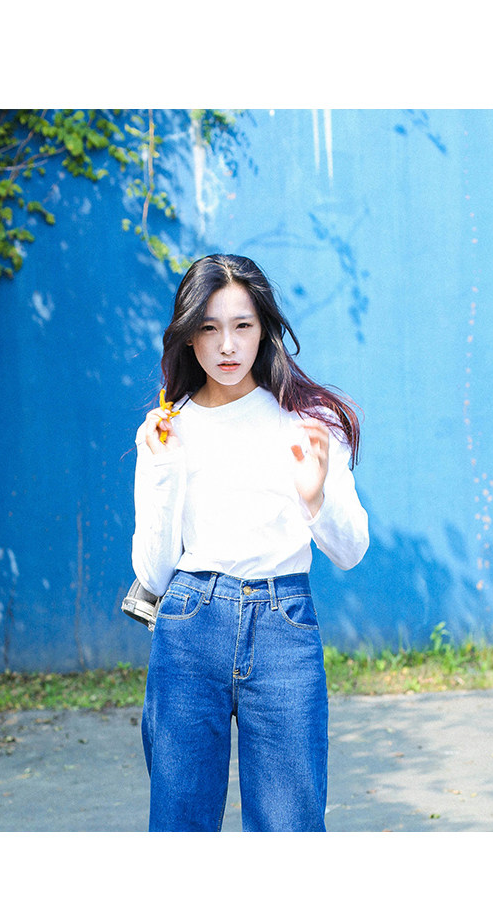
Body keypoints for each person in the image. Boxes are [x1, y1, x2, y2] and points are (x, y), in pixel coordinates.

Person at [132, 252, 369, 832]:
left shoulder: (308, 421)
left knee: (290, 826)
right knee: (181, 825)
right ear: (189, 337)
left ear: (264, 328)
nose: (227, 345)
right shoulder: (168, 428)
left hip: (283, 624)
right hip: (190, 623)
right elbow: (154, 573)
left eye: (242, 325)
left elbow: (351, 550)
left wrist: (315, 496)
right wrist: (163, 469)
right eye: (209, 327)